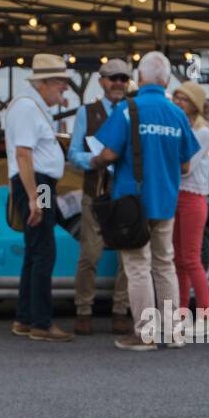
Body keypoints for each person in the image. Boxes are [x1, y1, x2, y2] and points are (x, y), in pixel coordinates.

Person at [72, 51, 199, 351]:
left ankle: (145, 333)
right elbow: (185, 166)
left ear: (140, 78)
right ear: (166, 81)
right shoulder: (177, 114)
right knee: (165, 264)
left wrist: (93, 161)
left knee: (138, 266)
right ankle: (174, 332)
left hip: (132, 202)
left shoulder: (128, 109)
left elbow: (108, 154)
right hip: (165, 200)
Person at [5, 53, 74, 343]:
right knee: (44, 250)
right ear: (44, 83)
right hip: (39, 184)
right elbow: (23, 154)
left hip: (37, 183)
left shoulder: (29, 105)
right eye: (60, 82)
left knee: (36, 250)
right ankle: (41, 323)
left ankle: (26, 318)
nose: (65, 87)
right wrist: (35, 197)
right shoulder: (28, 108)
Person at [68, 59, 131, 336]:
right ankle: (83, 310)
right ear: (102, 81)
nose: (118, 83)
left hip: (125, 193)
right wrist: (94, 160)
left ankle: (121, 310)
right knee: (89, 255)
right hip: (95, 191)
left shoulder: (133, 111)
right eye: (113, 78)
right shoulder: (86, 112)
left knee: (128, 256)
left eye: (123, 79)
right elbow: (72, 153)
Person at [171, 80, 209, 333]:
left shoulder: (202, 131)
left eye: (183, 99)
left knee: (190, 258)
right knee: (178, 259)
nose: (178, 102)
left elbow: (186, 168)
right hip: (178, 194)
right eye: (176, 97)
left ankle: (206, 315)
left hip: (192, 197)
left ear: (194, 104)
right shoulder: (182, 127)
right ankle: (182, 313)